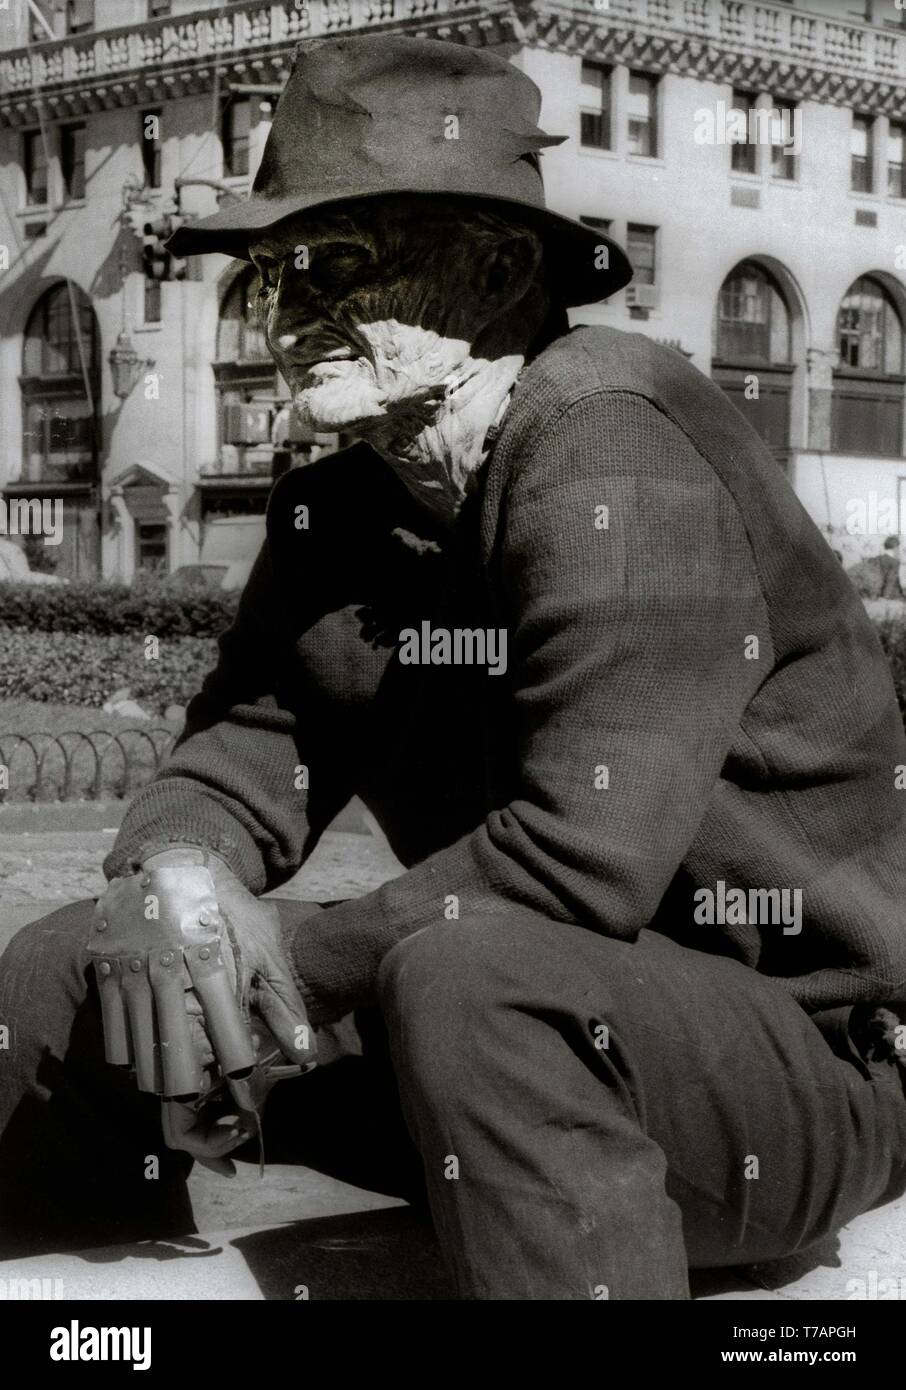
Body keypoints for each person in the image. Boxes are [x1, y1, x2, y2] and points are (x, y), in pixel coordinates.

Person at [2, 33, 906, 1301]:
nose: (286, 309)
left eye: (338, 264)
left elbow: (573, 865)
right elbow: (241, 749)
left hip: (792, 1067)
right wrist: (169, 881)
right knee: (69, 970)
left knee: (477, 978)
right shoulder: (343, 504)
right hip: (502, 1028)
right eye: (272, 271)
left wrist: (261, 983)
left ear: (491, 271)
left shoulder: (609, 433)